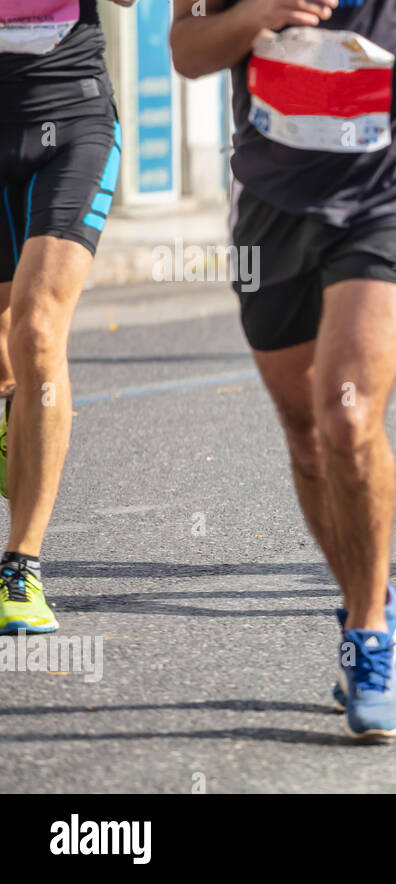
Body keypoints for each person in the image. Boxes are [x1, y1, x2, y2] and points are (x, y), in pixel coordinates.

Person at [170, 0, 396, 740]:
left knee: (346, 415)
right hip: (271, 204)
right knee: (307, 437)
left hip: (392, 194)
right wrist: (257, 14)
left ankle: (367, 640)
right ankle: (376, 599)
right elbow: (188, 50)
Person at [0, 0, 135, 635]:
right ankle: (13, 415)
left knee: (37, 330)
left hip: (70, 111)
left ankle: (20, 565)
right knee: (6, 351)